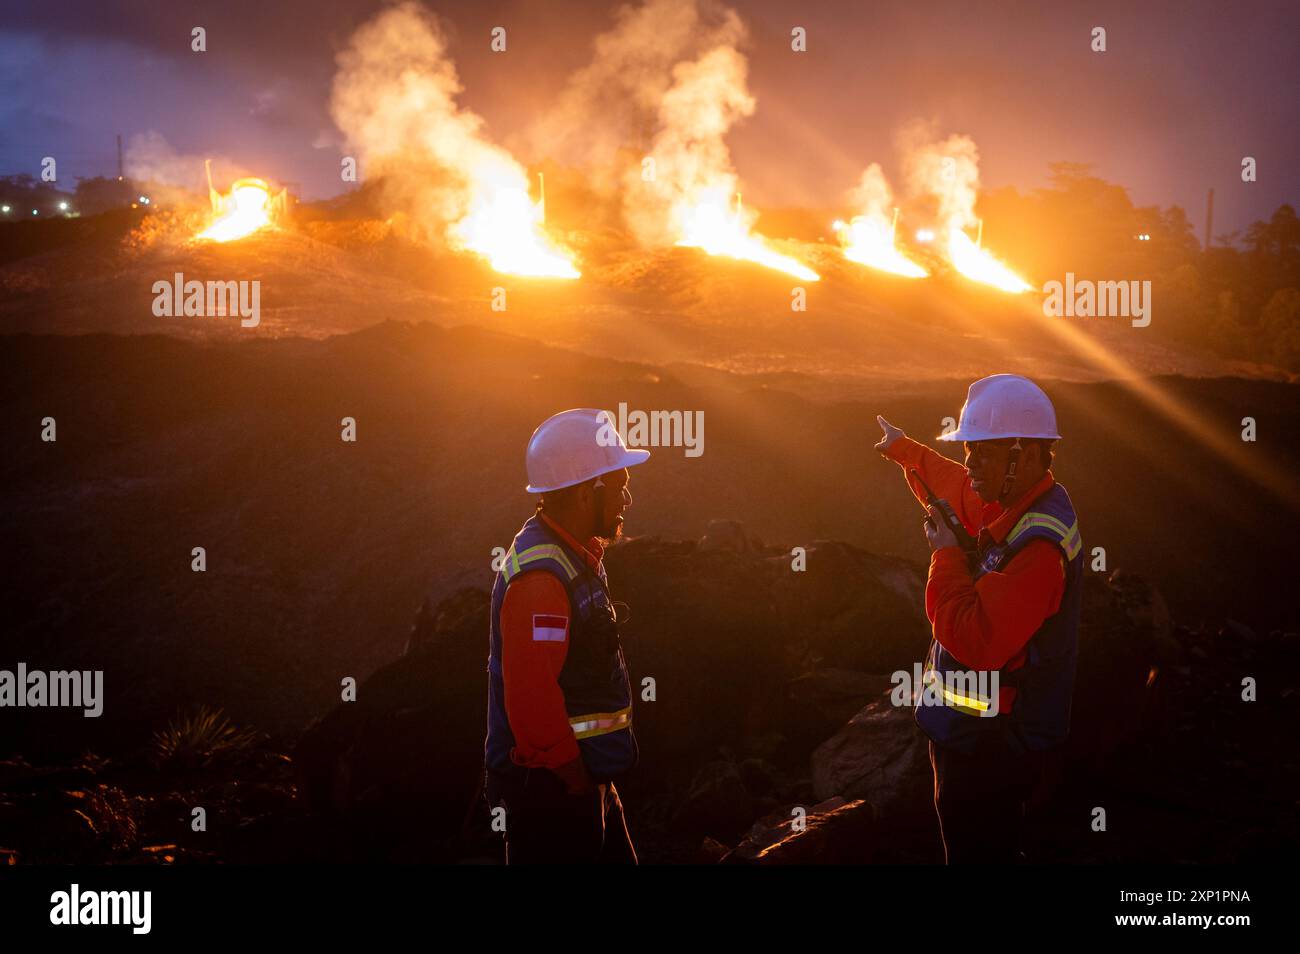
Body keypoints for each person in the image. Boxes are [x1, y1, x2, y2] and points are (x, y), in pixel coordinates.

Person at [875, 374, 1083, 864]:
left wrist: (946, 556)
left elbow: (977, 642)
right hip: (969, 733)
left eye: (980, 453)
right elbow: (953, 484)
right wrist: (906, 450)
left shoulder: (1036, 548)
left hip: (991, 749)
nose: (970, 466)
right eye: (969, 451)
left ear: (1024, 454)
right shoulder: (1014, 501)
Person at [484, 408, 649, 863]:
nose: (627, 499)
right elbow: (533, 702)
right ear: (585, 492)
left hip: (578, 780)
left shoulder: (572, 555)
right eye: (618, 485)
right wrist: (575, 778)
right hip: (552, 792)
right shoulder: (543, 581)